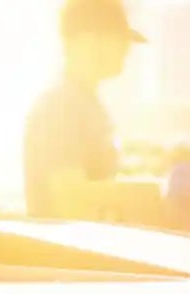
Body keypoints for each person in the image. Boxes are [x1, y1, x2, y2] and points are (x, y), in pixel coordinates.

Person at [24, 0, 145, 220]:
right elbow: (70, 199)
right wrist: (147, 195)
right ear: (88, 40)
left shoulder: (86, 103)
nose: (127, 51)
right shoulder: (61, 107)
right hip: (64, 251)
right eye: (119, 40)